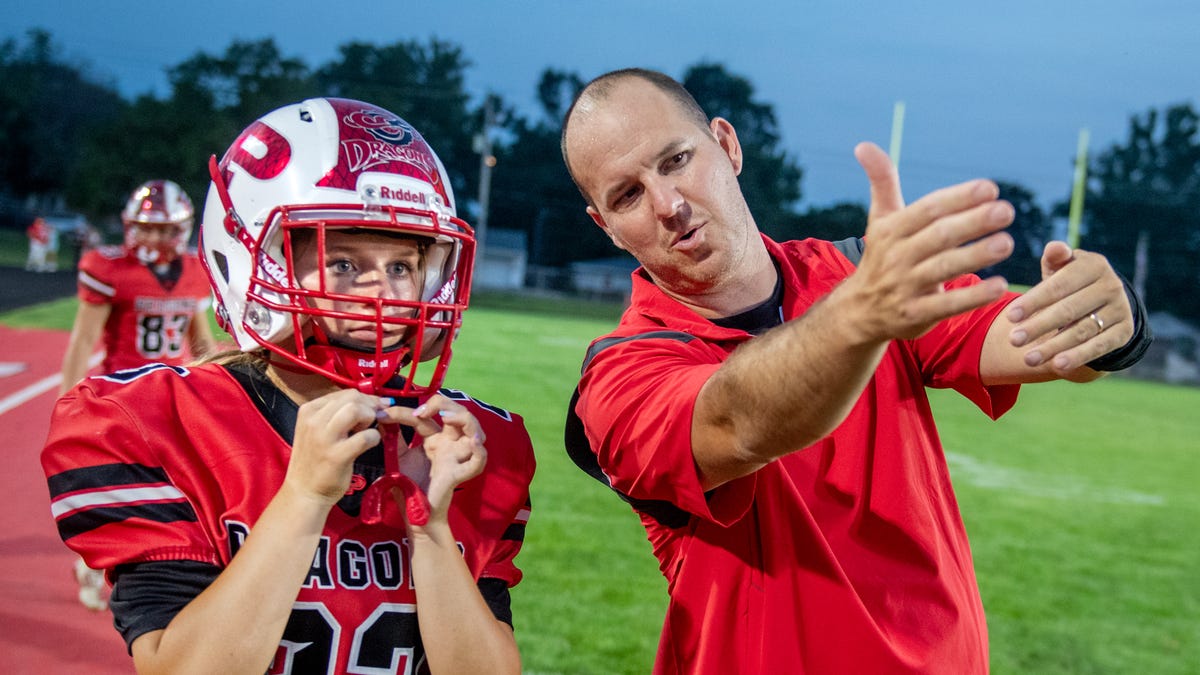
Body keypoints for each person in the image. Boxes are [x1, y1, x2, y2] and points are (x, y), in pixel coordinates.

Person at [560, 68, 1152, 674]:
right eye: (627, 196)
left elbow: (1031, 342)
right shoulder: (617, 376)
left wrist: (1107, 320)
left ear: (728, 145)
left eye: (677, 159)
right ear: (604, 225)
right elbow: (738, 421)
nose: (669, 205)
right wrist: (860, 318)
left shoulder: (860, 272)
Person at [43, 97, 535, 674]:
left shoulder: (466, 446)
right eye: (344, 261)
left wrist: (430, 524)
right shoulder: (158, 424)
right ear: (255, 256)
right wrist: (302, 497)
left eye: (402, 266)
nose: (383, 292)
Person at [57, 179, 217, 611]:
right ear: (130, 226)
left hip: (168, 396)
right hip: (120, 397)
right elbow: (83, 340)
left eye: (165, 229)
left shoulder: (195, 272)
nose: (154, 237)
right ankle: (92, 569)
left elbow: (202, 343)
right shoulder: (109, 268)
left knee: (172, 493)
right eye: (147, 228)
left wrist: (224, 388)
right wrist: (67, 406)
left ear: (181, 231)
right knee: (108, 492)